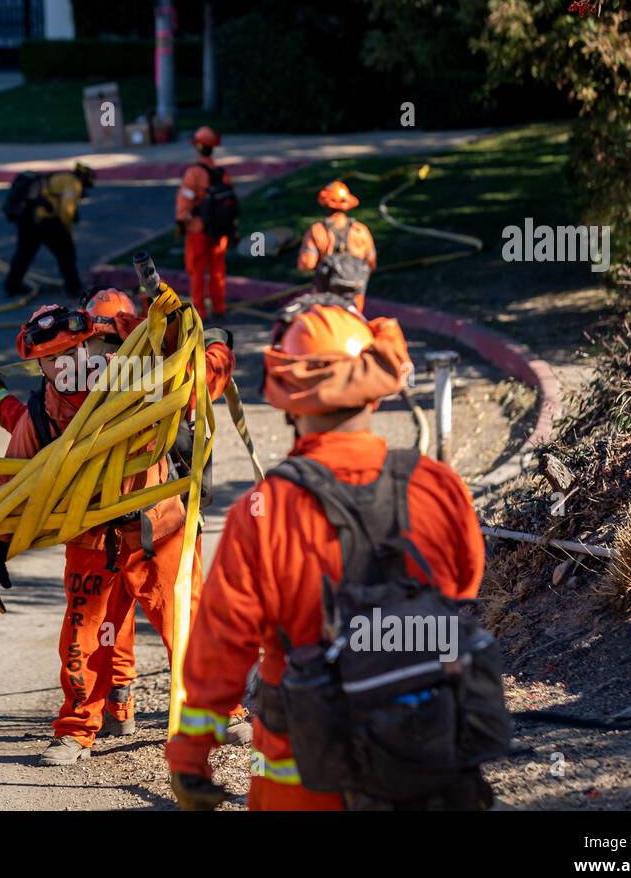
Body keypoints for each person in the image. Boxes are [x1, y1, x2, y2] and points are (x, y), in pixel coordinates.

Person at [165, 303, 485, 810]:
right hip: (420, 761)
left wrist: (190, 755)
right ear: (374, 395)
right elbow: (463, 590)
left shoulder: (265, 510)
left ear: (292, 401)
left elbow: (223, 642)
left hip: (300, 775)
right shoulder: (437, 486)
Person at [0, 296, 241, 765]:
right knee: (84, 637)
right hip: (89, 538)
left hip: (157, 527)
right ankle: (78, 729)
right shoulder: (42, 412)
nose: (64, 367)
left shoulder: (144, 382)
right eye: (50, 361)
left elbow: (199, 379)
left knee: (188, 625)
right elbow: (15, 480)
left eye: (72, 355)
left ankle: (223, 709)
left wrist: (206, 338)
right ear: (39, 365)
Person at [3, 162, 95, 298]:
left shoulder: (60, 177)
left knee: (23, 255)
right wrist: (67, 231)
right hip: (47, 221)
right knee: (66, 254)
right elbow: (66, 210)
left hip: (29, 220)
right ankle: (73, 288)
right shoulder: (73, 183)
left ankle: (12, 286)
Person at [175, 126, 235, 320]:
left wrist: (181, 220)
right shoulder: (221, 173)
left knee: (197, 270)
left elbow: (185, 200)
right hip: (220, 229)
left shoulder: (194, 173)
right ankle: (219, 307)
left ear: (199, 147)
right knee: (218, 268)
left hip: (198, 229)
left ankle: (199, 310)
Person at [295, 180, 377, 312]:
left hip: (324, 296)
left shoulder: (317, 230)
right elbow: (371, 264)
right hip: (354, 295)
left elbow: (306, 264)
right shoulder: (360, 230)